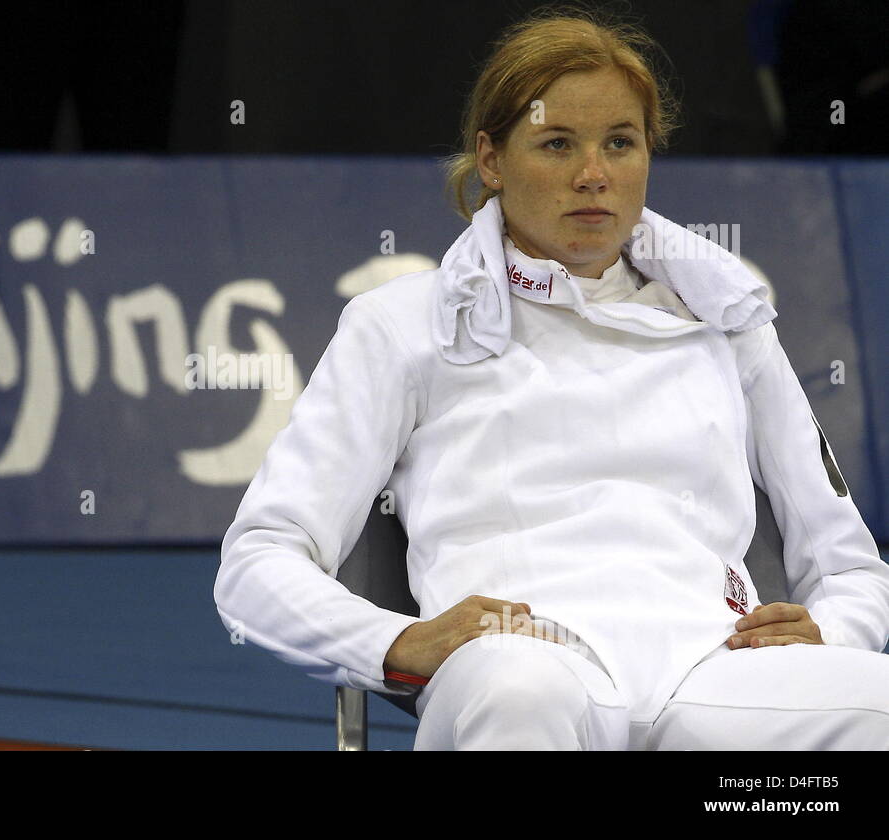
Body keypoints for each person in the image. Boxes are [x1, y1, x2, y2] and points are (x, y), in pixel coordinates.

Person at [213, 7, 889, 750]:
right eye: (557, 143)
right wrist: (395, 643)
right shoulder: (403, 324)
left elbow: (851, 565)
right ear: (492, 159)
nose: (594, 175)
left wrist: (834, 630)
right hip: (526, 657)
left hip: (713, 672)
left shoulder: (728, 319)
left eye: (620, 143)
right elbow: (257, 562)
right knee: (520, 694)